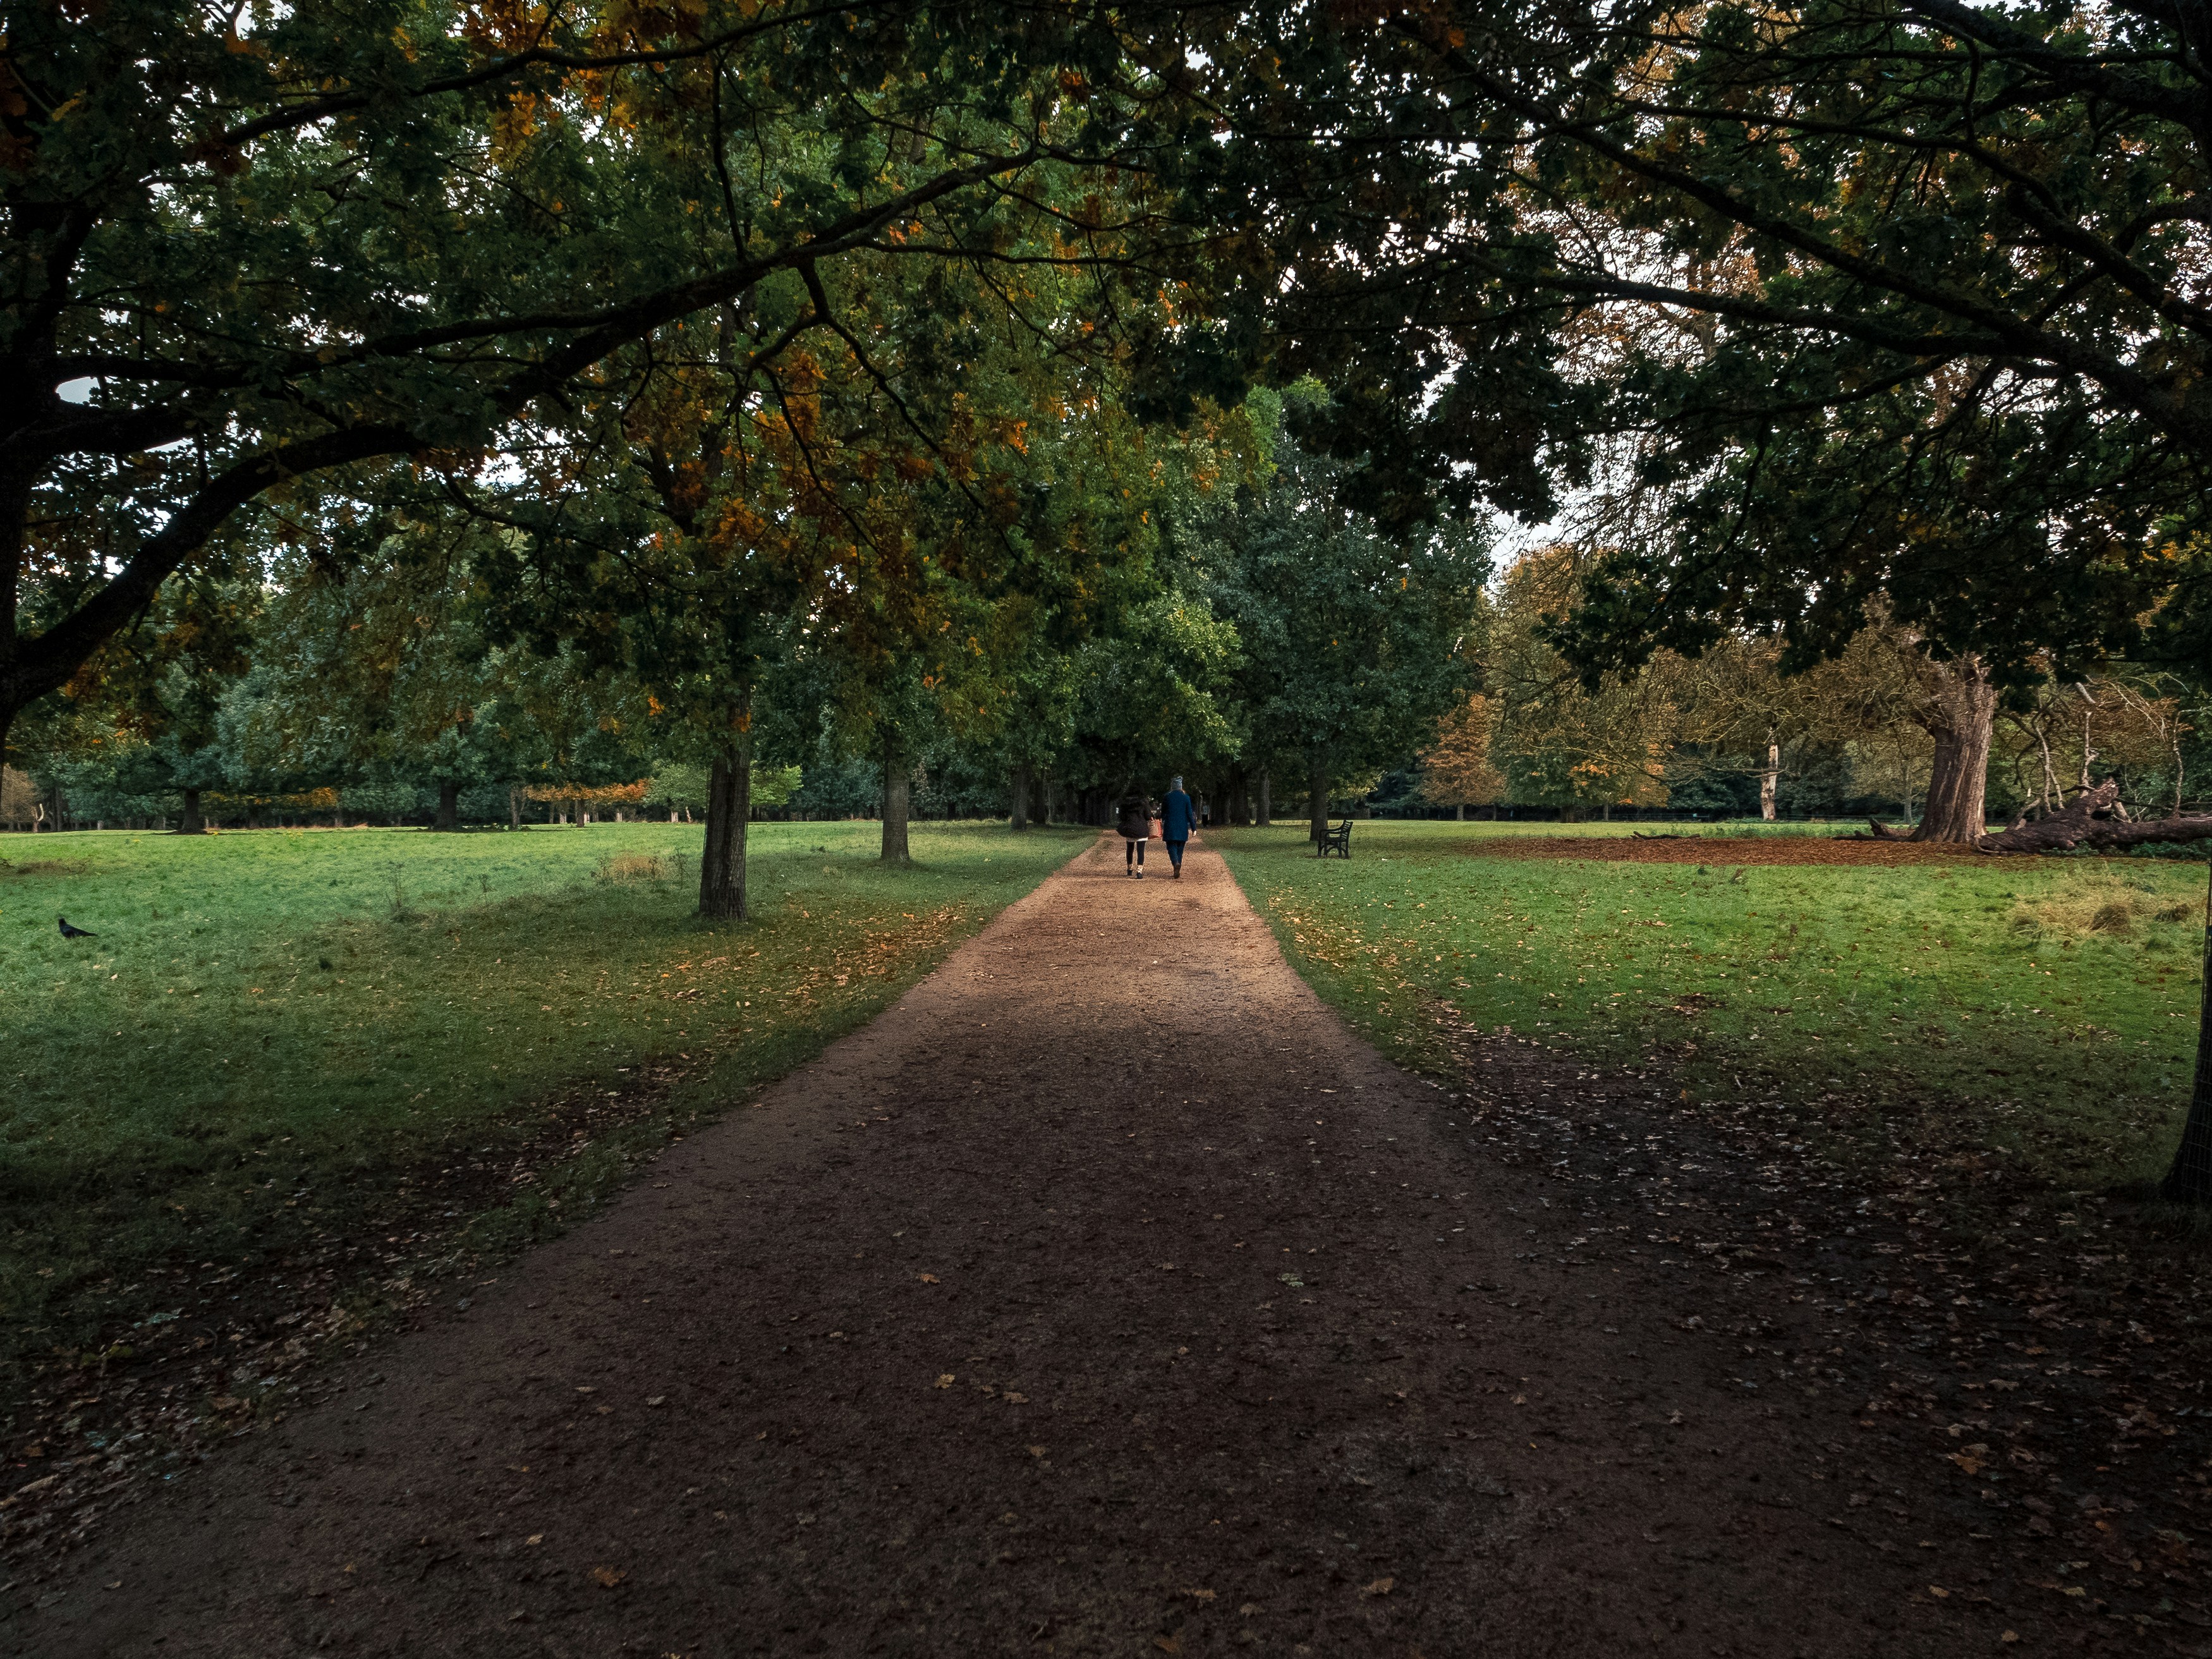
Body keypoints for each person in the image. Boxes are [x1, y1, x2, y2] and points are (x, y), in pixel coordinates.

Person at [1159, 775, 1196, 878]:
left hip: (1170, 826)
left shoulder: (1167, 797)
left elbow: (1163, 812)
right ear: (1180, 786)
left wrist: (1161, 819)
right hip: (1182, 827)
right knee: (1180, 849)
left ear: (1172, 786)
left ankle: (1175, 863)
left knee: (1171, 847)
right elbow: (1190, 814)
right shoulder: (1186, 797)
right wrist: (1194, 828)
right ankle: (1177, 866)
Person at [1115, 789, 1154, 877]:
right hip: (1141, 829)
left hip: (1129, 828)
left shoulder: (1125, 803)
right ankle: (1139, 871)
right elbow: (1148, 816)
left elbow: (1121, 817)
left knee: (1130, 849)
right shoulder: (1143, 802)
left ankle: (1130, 869)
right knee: (1141, 851)